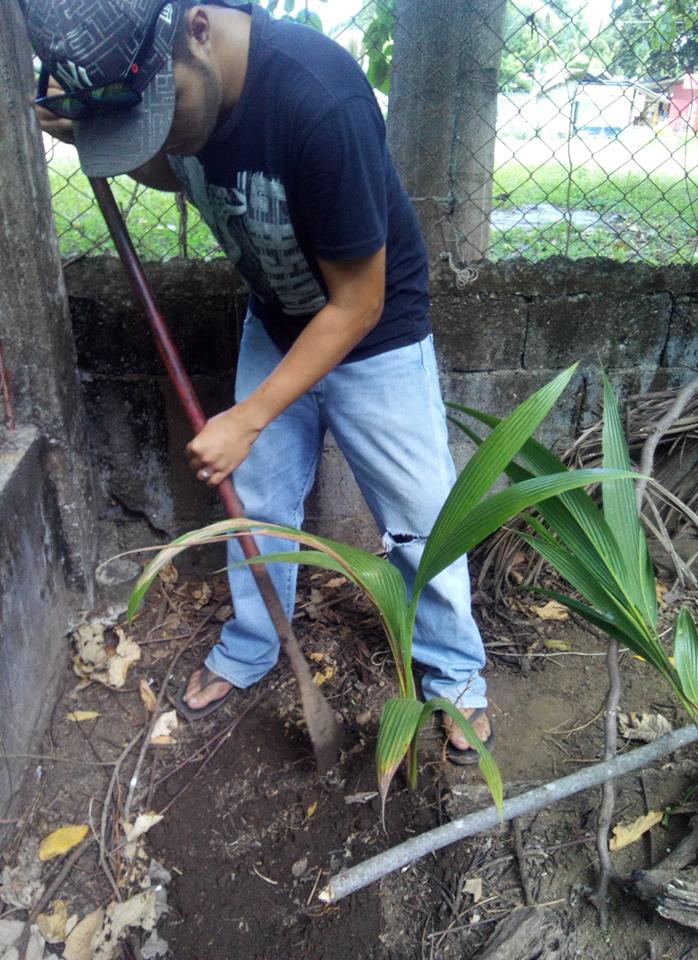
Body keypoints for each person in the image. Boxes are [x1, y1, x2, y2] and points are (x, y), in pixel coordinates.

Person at [29, 0, 492, 762]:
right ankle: (252, 646)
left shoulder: (319, 98)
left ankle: (456, 677)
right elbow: (171, 165)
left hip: (374, 331)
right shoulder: (178, 91)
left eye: (164, 110)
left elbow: (359, 301)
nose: (168, 134)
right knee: (259, 505)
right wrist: (102, 132)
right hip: (276, 318)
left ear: (200, 28)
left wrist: (246, 417)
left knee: (418, 518)